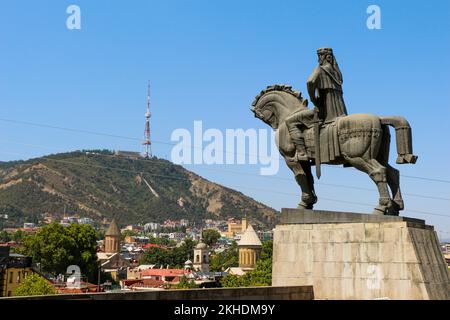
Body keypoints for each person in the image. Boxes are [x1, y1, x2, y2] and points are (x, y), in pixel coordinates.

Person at [286, 47, 348, 161]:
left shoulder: (321, 70)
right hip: (340, 111)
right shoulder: (337, 72)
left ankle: (302, 152)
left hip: (325, 111)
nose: (319, 59)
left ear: (322, 57)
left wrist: (313, 98)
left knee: (290, 121)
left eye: (319, 56)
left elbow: (310, 82)